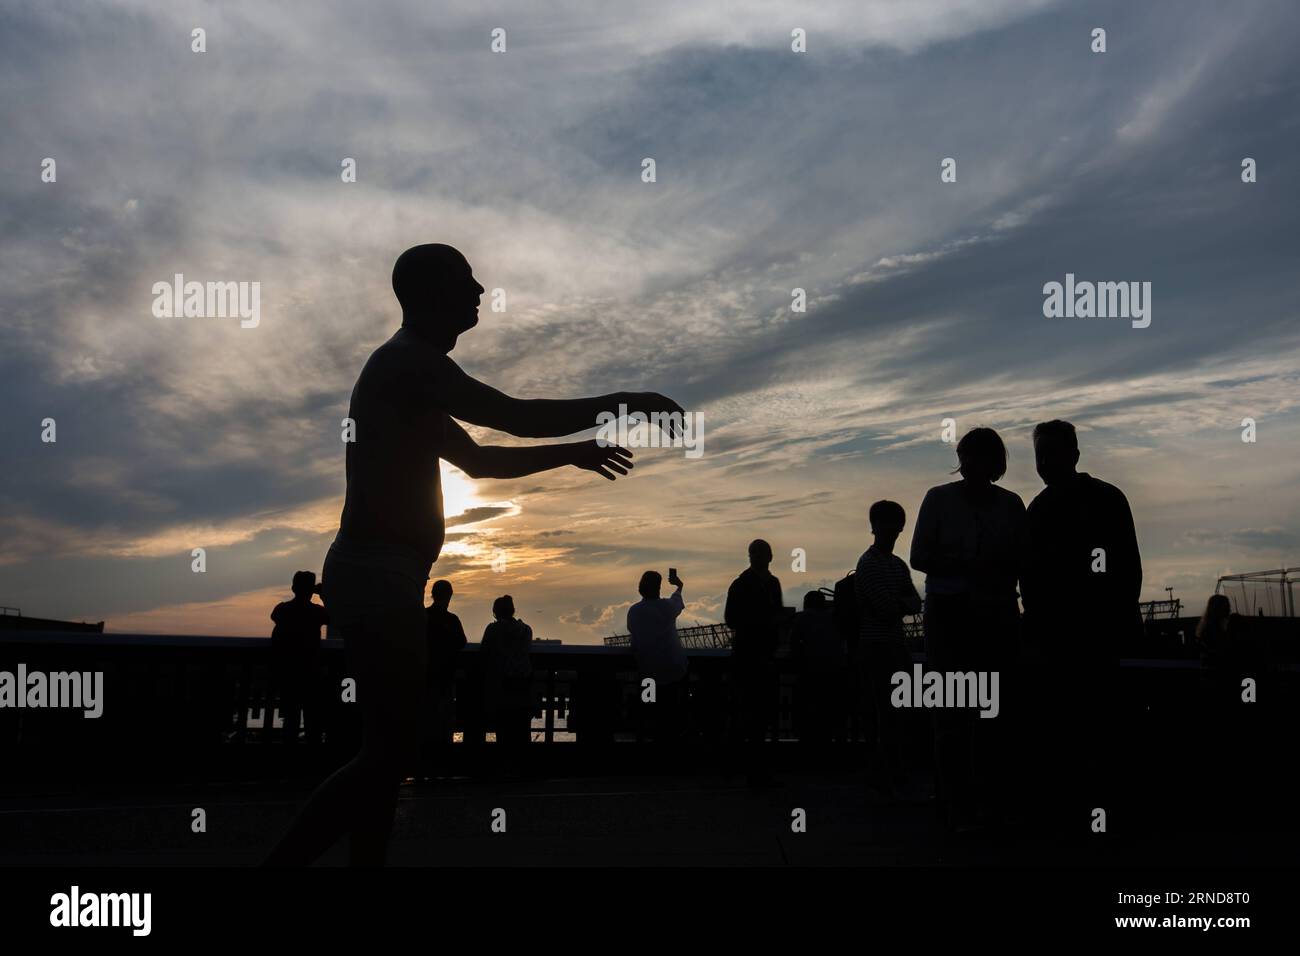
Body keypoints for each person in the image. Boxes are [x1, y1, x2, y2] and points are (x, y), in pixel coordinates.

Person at [264, 243, 683, 866]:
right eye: (466, 280)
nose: (481, 288)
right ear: (431, 293)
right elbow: (512, 416)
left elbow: (481, 461)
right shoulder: (409, 363)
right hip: (376, 570)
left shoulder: (412, 378)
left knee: (385, 751)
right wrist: (633, 401)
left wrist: (571, 453)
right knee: (390, 753)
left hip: (383, 572)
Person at [1021, 419, 1141, 835]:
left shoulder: (1073, 503)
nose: (1045, 463)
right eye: (1041, 456)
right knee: (1079, 725)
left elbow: (1127, 570)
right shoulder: (1084, 501)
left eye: (1050, 454)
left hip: (1089, 633)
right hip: (1067, 634)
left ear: (1073, 455)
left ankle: (1087, 807)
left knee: (1089, 724)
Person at [910, 427, 1025, 830]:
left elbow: (922, 555)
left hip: (984, 612)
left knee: (983, 714)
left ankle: (976, 800)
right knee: (957, 715)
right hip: (960, 613)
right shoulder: (948, 499)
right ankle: (959, 800)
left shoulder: (1008, 505)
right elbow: (919, 555)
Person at [855, 501, 923, 796]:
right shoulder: (870, 564)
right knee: (886, 712)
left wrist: (898, 604)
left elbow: (909, 603)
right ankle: (885, 771)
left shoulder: (894, 565)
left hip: (892, 646)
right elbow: (897, 606)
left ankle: (888, 770)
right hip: (878, 648)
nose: (891, 530)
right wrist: (901, 603)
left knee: (894, 712)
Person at [724, 539, 785, 786]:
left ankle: (748, 767)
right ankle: (753, 768)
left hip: (751, 655)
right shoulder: (768, 584)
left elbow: (731, 619)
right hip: (756, 656)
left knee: (752, 713)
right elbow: (732, 619)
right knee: (755, 713)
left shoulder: (743, 584)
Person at [627, 569, 689, 742]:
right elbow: (677, 602)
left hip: (648, 676)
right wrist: (679, 585)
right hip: (672, 674)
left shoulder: (634, 611)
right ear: (658, 588)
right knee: (670, 718)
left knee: (649, 714)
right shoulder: (667, 607)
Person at [270, 571, 330, 745]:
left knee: (290, 719)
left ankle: (289, 759)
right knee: (313, 720)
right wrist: (324, 595)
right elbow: (335, 615)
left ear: (293, 587)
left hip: (288, 673)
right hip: (311, 673)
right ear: (312, 590)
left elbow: (275, 617)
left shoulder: (282, 610)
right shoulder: (316, 613)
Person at [480, 595, 535, 759]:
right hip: (523, 687)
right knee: (523, 730)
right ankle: (522, 766)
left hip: (502, 687)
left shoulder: (493, 630)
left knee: (503, 731)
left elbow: (484, 654)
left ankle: (504, 765)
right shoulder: (526, 630)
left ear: (496, 613)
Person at [423, 579, 466, 774]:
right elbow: (461, 642)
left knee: (427, 723)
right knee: (445, 724)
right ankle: (443, 766)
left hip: (426, 677)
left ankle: (426, 765)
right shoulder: (452, 620)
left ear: (432, 595)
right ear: (449, 596)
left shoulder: (423, 617)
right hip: (446, 678)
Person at [790, 591, 845, 747]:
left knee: (807, 709)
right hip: (834, 672)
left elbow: (794, 643)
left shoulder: (801, 618)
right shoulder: (834, 618)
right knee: (830, 710)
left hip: (810, 671)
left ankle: (807, 741)